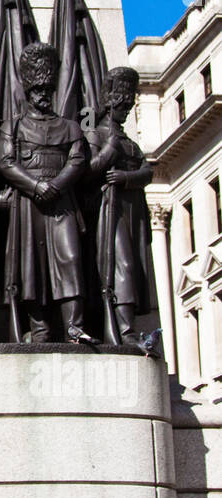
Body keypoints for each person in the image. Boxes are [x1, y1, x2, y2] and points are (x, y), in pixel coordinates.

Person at [0, 42, 94, 343]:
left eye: (46, 91)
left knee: (69, 259)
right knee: (32, 265)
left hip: (62, 202)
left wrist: (56, 185)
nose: (42, 96)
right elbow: (6, 163)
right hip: (28, 203)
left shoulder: (71, 127)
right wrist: (36, 186)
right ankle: (40, 329)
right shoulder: (11, 127)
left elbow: (78, 160)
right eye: (37, 91)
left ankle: (74, 327)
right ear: (28, 93)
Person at [84, 67, 155, 344]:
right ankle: (124, 330)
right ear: (109, 104)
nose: (125, 111)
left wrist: (126, 177)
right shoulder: (96, 135)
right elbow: (87, 170)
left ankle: (127, 325)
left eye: (128, 106)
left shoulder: (130, 142)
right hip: (107, 210)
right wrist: (108, 151)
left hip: (132, 210)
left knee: (133, 265)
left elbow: (147, 172)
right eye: (121, 106)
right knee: (121, 263)